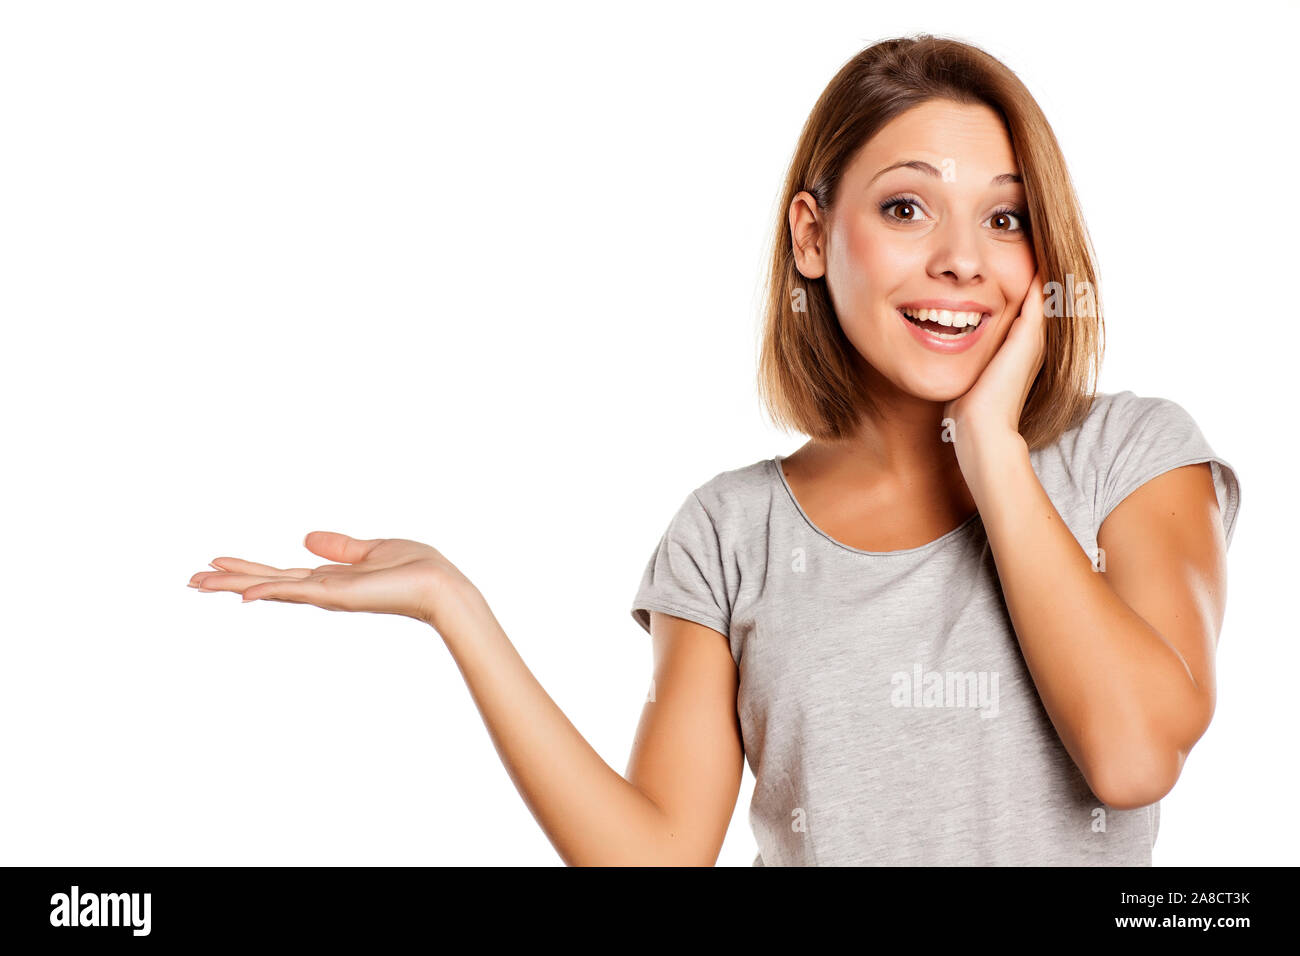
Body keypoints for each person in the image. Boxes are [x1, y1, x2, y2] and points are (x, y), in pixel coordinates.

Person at [188, 34, 1241, 866]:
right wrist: (458, 609)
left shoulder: (1132, 455)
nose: (961, 259)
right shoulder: (732, 530)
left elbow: (1132, 753)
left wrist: (994, 452)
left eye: (1005, 217)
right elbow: (654, 855)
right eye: (907, 206)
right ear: (813, 238)